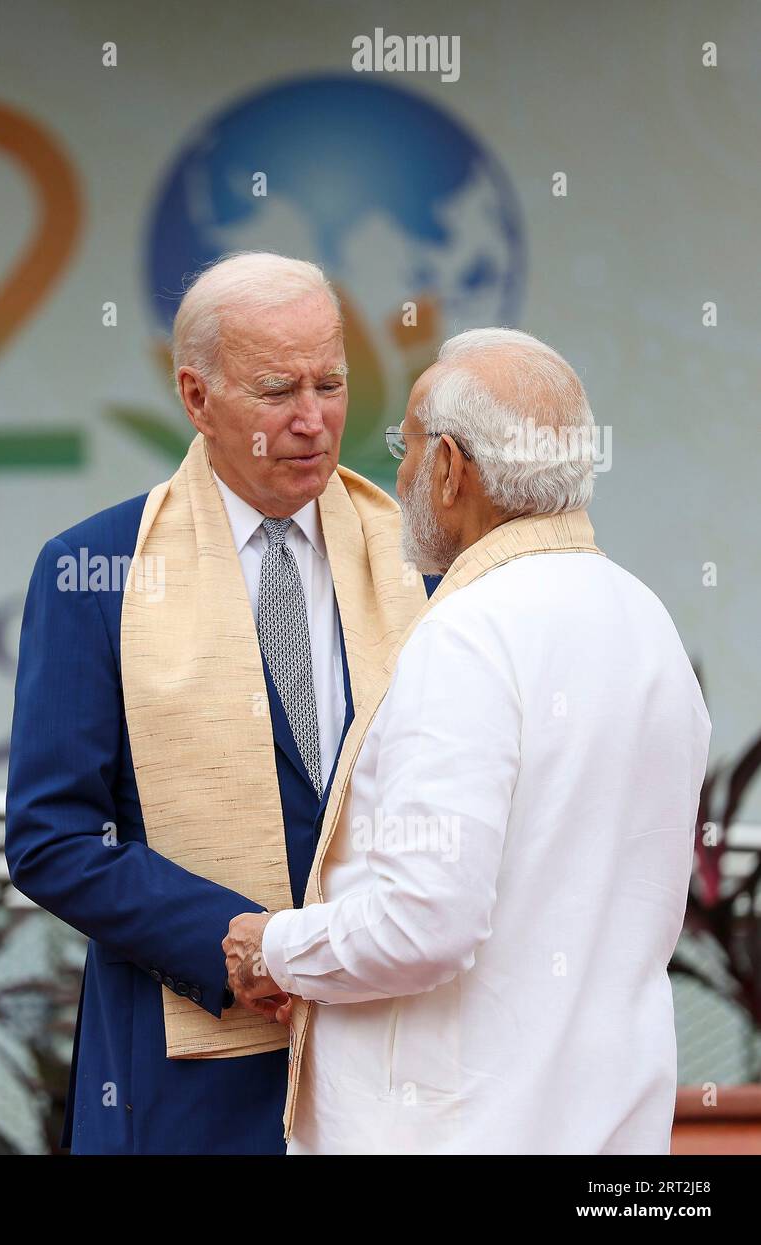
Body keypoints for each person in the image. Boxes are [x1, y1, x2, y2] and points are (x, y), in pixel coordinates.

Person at [225, 328, 710, 1154]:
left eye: (406, 447)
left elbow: (426, 923)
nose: (400, 473)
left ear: (450, 469)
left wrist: (272, 946)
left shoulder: (468, 633)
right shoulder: (646, 621)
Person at [5, 252, 430, 1153]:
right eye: (278, 389)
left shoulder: (417, 562)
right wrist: (229, 941)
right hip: (184, 1082)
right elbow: (53, 835)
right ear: (196, 398)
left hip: (395, 1064)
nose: (313, 420)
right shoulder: (98, 572)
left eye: (332, 382)